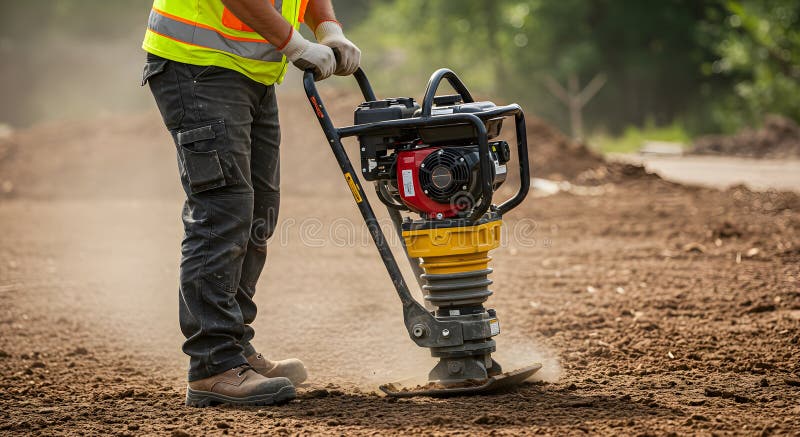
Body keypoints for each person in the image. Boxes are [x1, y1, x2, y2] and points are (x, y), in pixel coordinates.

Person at [141, 0, 360, 407]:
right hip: (198, 67)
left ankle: (235, 347)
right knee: (223, 212)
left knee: (259, 212)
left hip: (251, 71)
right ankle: (213, 364)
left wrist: (328, 27)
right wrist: (294, 43)